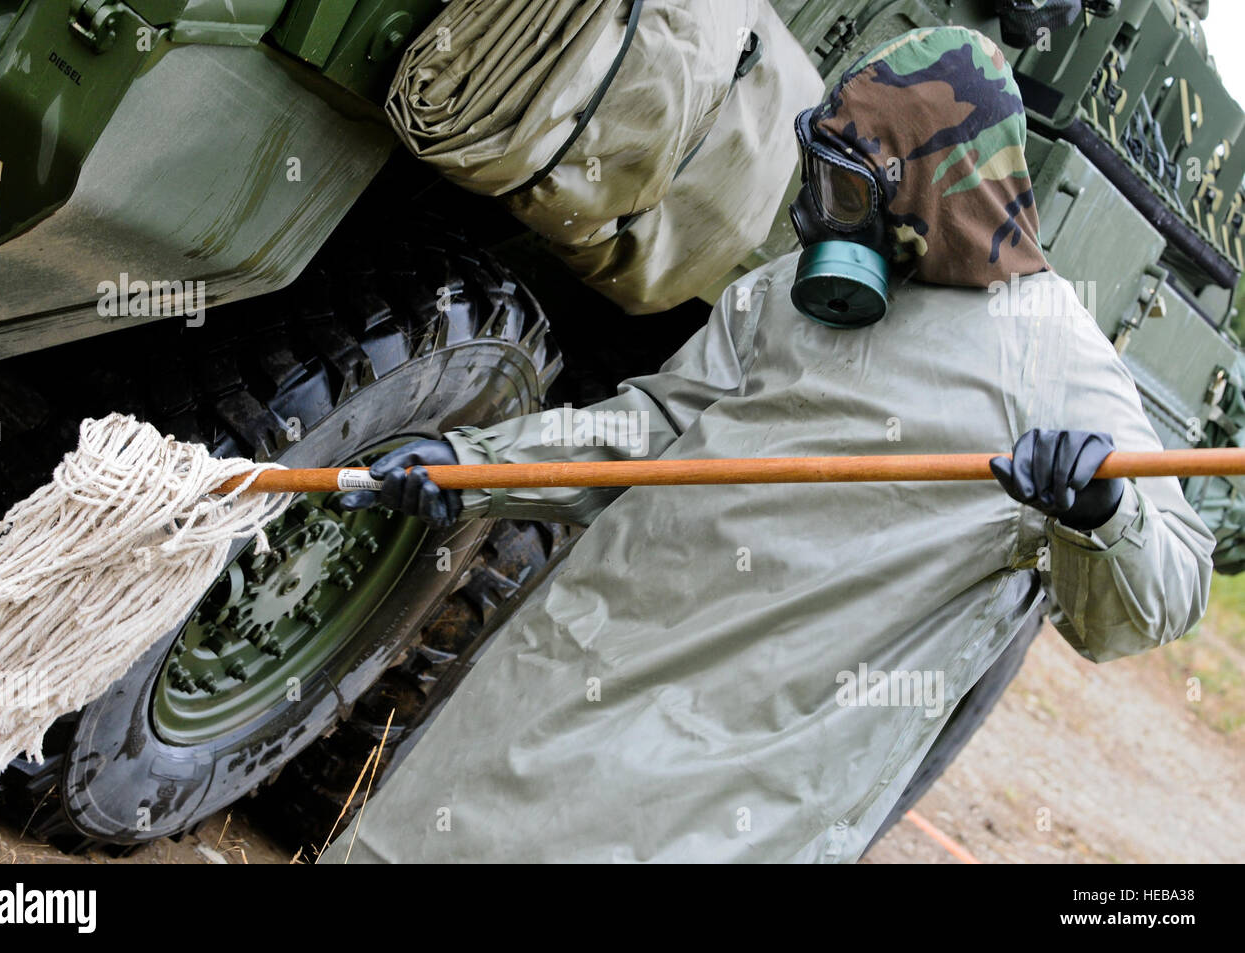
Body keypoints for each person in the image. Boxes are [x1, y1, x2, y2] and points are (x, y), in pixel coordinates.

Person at [321, 26, 1214, 863]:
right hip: (585, 661)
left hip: (741, 770)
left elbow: (1164, 592)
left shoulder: (1054, 362)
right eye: (817, 179)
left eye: (850, 190)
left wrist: (1103, 508)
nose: (819, 219)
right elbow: (660, 425)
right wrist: (474, 465)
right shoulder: (798, 288)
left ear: (940, 186)